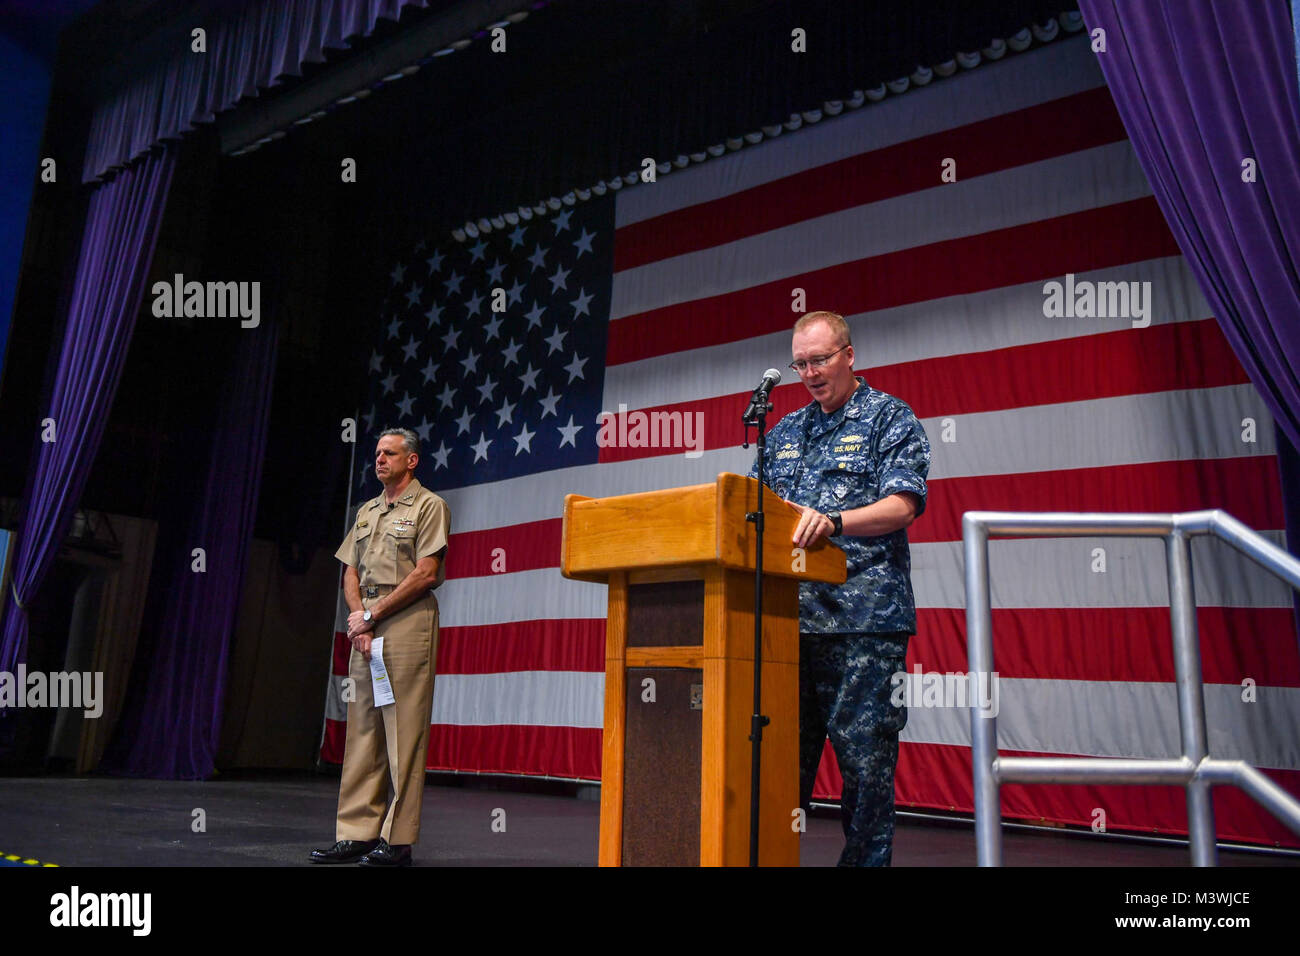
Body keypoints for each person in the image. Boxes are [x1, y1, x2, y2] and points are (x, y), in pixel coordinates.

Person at [749, 310, 930, 867]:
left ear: (849, 355)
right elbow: (751, 514)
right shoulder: (780, 436)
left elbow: (903, 504)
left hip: (865, 626)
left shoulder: (888, 419)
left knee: (864, 766)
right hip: (789, 627)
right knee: (780, 767)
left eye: (820, 359)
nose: (809, 373)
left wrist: (835, 519)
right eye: (800, 363)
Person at [310, 427, 450, 867]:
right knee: (363, 730)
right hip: (367, 623)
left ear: (412, 460)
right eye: (376, 454)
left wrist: (375, 615)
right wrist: (361, 621)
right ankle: (357, 833)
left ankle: (398, 839)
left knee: (403, 730)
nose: (379, 459)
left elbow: (426, 572)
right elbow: (350, 570)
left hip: (407, 620)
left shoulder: (429, 505)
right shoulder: (368, 511)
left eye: (390, 453)